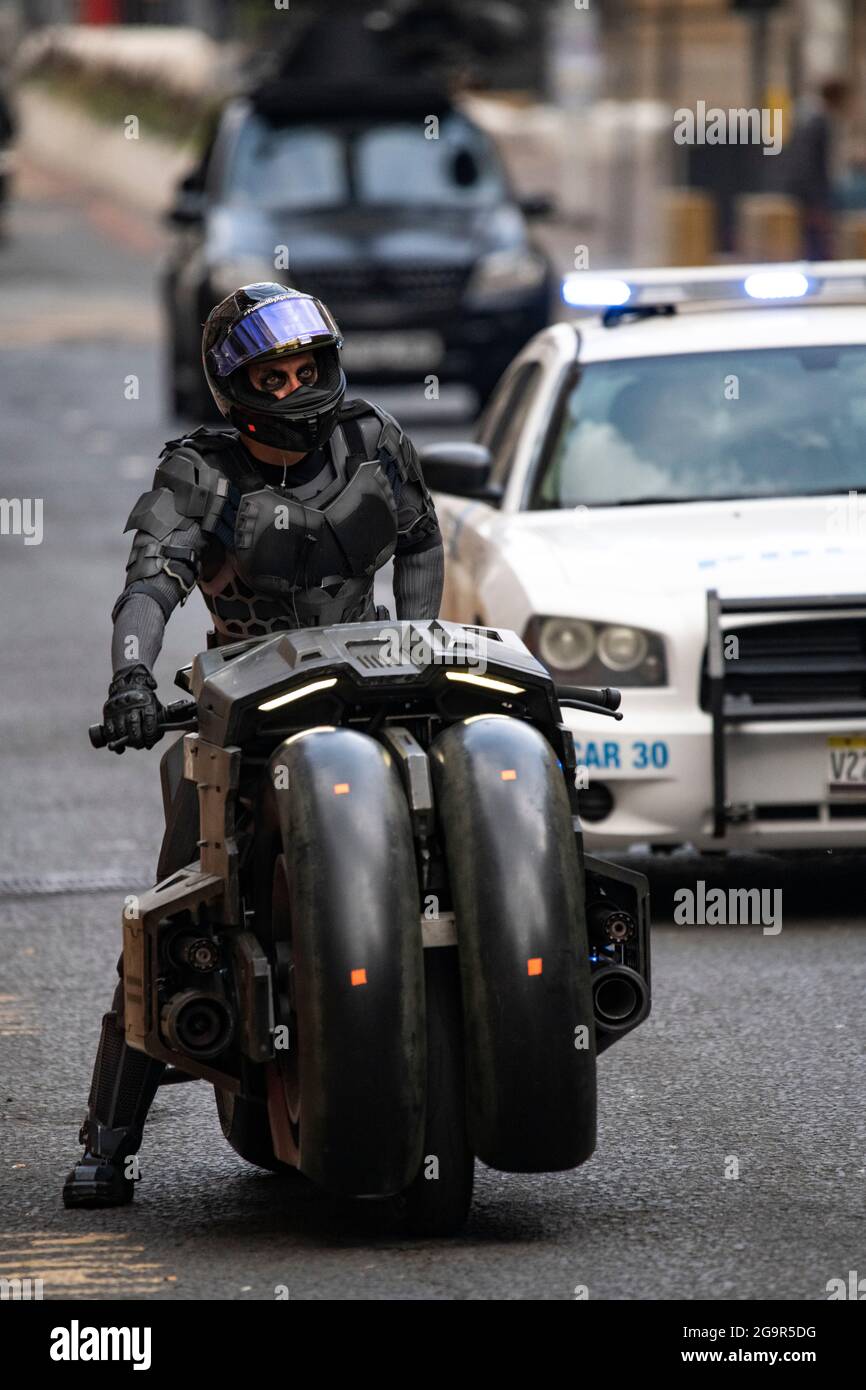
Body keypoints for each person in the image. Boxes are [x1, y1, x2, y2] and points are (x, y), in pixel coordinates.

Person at [63, 282, 444, 1207]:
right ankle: (110, 1144)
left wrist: (417, 639)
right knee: (168, 923)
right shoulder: (199, 469)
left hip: (373, 688)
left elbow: (423, 540)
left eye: (306, 367)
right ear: (236, 389)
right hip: (245, 705)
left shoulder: (375, 437)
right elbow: (149, 585)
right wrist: (130, 679)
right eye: (273, 376)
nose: (296, 386)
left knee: (455, 822)